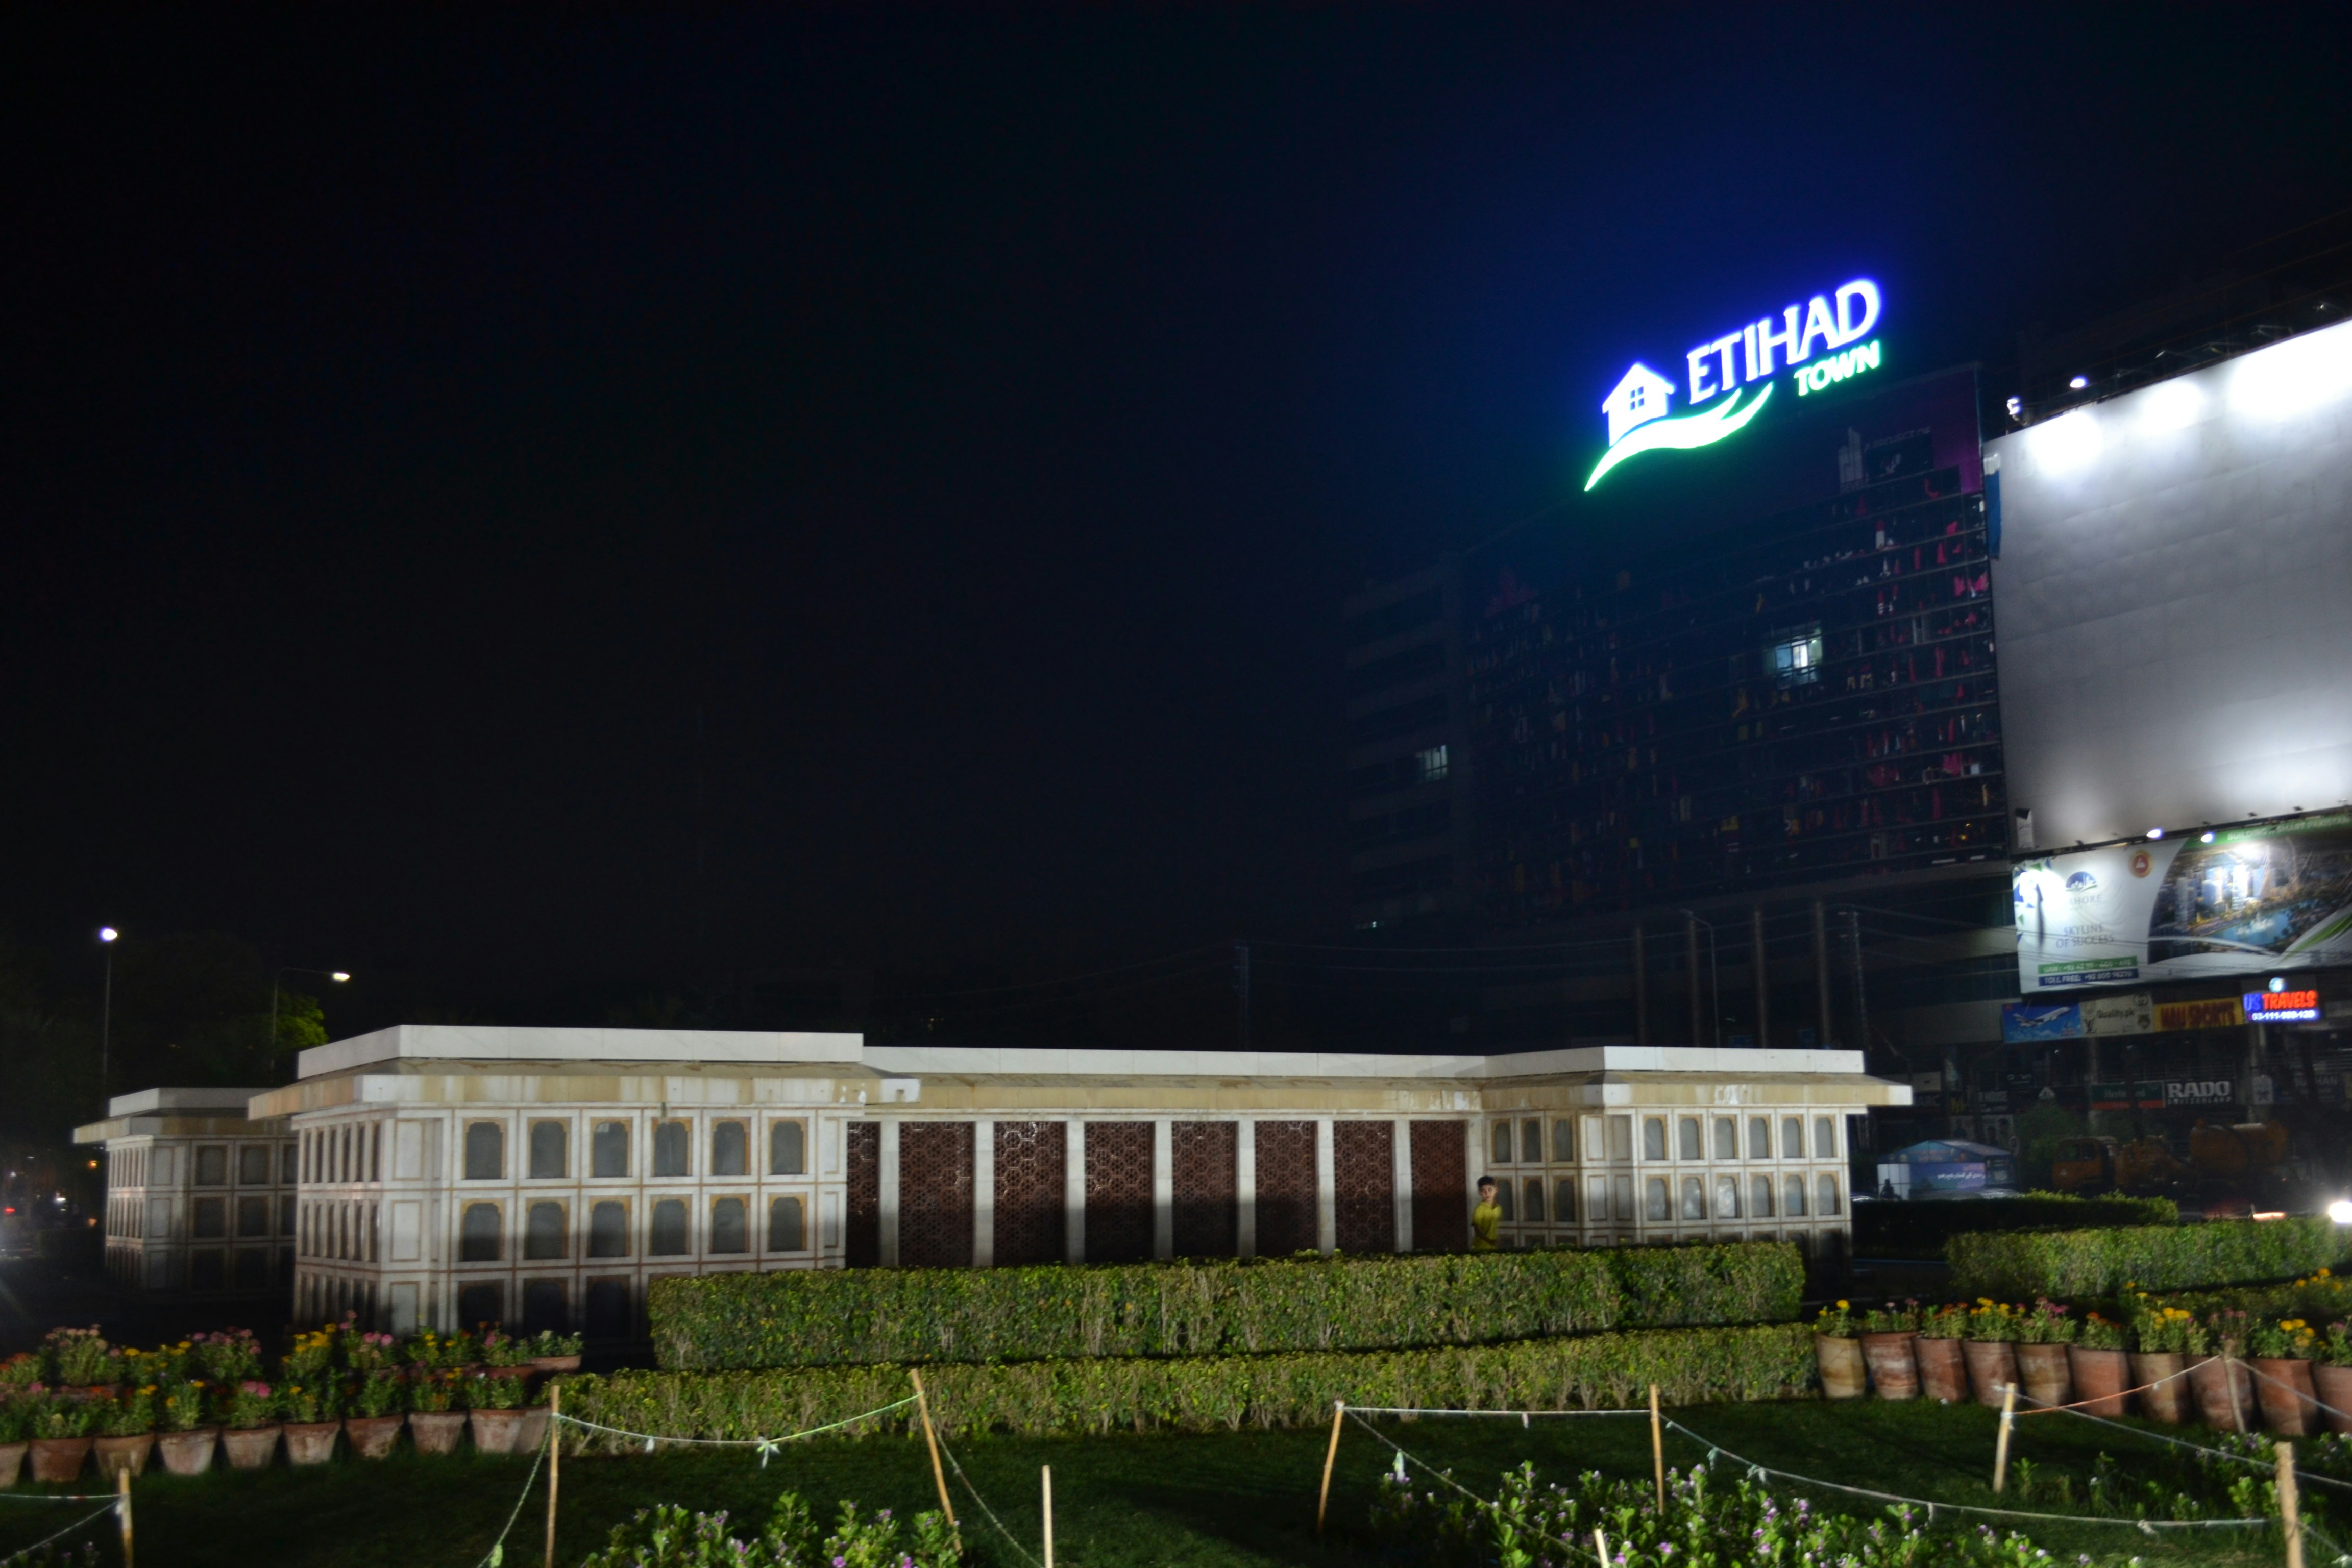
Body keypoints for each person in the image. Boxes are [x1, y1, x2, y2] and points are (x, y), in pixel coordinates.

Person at [1471, 1176, 1502, 1251]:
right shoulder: (1479, 1209)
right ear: (1479, 1192)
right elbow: (1477, 1231)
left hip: (1493, 1247)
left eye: (1490, 1190)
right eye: (1483, 1191)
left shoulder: (1498, 1208)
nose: (1487, 1193)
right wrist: (1490, 1241)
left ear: (1496, 1190)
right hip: (1480, 1247)